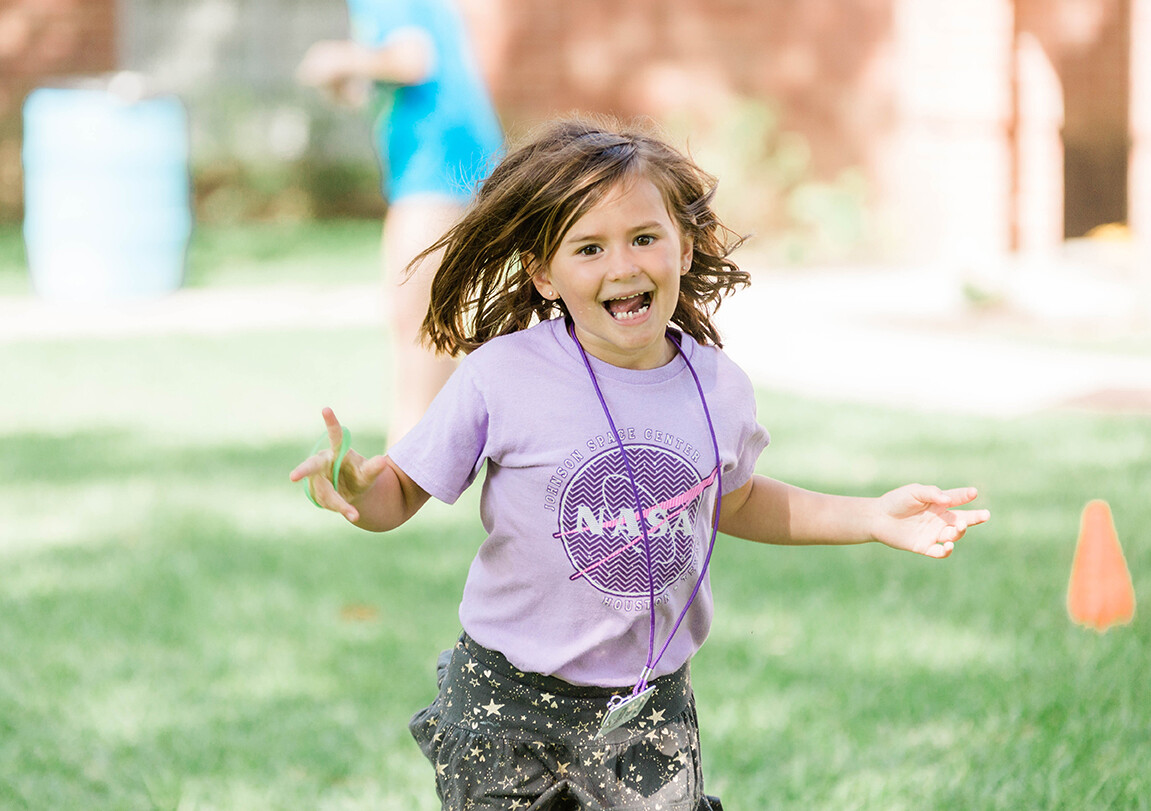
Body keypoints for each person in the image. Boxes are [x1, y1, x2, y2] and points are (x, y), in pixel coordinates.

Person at [290, 118, 991, 810]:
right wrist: (356, 483)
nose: (622, 266)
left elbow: (737, 502)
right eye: (587, 248)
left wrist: (868, 516)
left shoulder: (717, 387)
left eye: (643, 238)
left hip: (647, 702)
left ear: (683, 248)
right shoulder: (501, 376)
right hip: (505, 699)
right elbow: (398, 492)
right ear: (542, 273)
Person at [296, 0, 503, 443]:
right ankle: (443, 448)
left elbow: (413, 60)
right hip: (444, 160)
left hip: (439, 163)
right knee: (430, 318)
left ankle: (405, 458)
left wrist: (340, 57)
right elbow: (387, 77)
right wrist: (345, 78)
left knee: (417, 318)